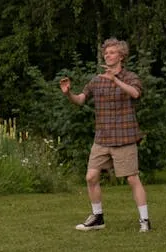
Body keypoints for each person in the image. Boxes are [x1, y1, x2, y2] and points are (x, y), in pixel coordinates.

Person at [59, 38, 151, 233]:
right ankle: (98, 218)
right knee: (91, 177)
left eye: (112, 52)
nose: (107, 55)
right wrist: (69, 94)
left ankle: (144, 221)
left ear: (121, 56)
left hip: (124, 137)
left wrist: (115, 80)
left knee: (132, 179)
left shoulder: (130, 77)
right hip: (102, 139)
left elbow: (135, 94)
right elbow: (81, 100)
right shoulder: (97, 80)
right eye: (106, 53)